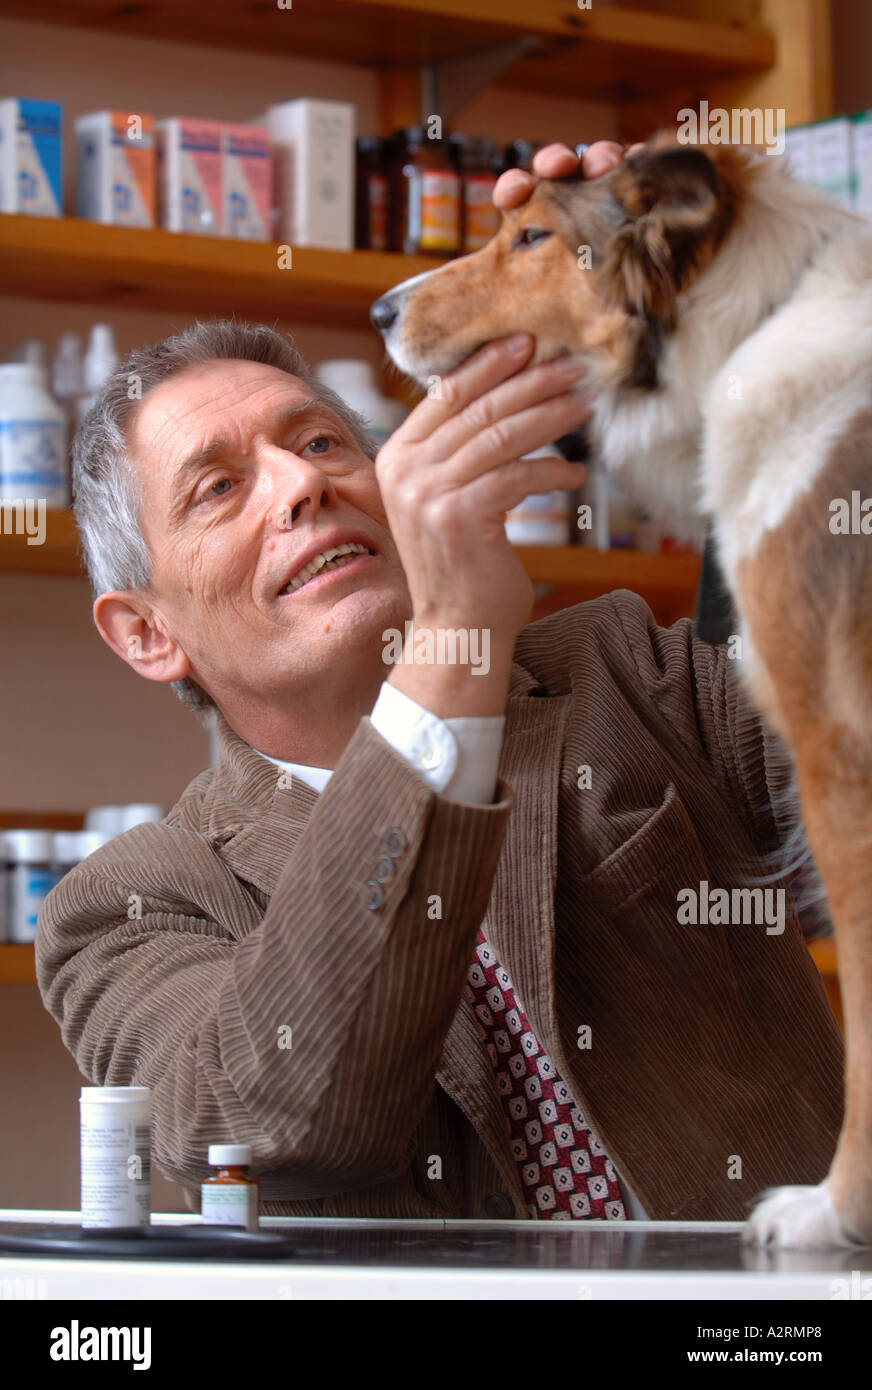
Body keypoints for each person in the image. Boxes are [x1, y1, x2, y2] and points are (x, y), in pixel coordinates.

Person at [36, 142, 843, 1223]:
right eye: (219, 487)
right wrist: (453, 635)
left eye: (322, 440)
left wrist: (707, 289)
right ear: (144, 632)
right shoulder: (126, 905)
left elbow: (848, 686)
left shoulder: (625, 668)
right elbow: (264, 1125)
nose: (304, 485)